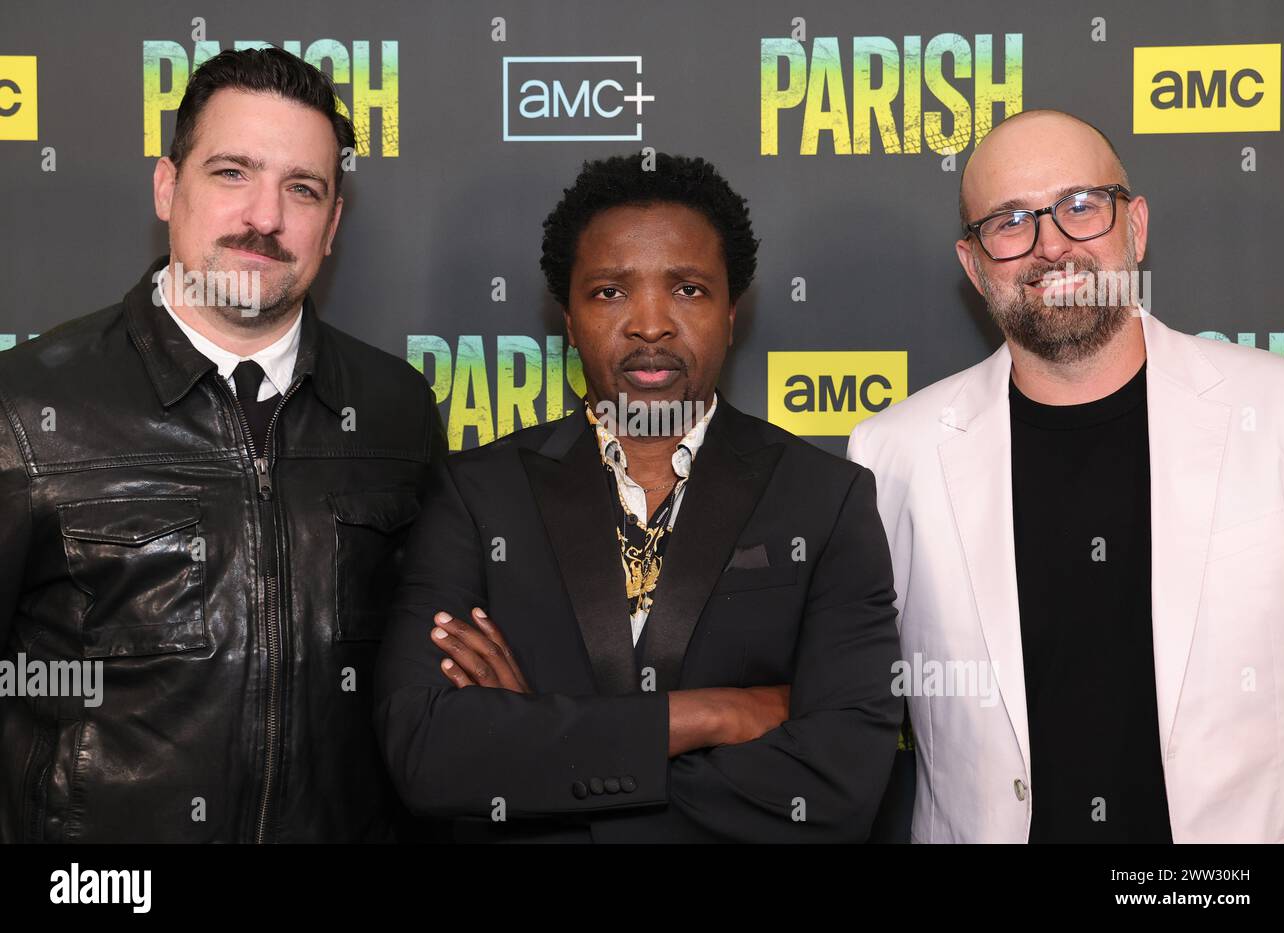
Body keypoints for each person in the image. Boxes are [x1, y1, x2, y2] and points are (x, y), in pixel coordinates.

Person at [375, 153, 901, 842]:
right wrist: (709, 715)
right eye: (609, 292)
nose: (650, 324)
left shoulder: (825, 499)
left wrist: (549, 753)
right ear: (568, 318)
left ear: (732, 313)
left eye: (687, 289)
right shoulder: (479, 493)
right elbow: (430, 754)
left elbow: (839, 784)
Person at [0, 48, 444, 842]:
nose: (265, 218)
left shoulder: (395, 409)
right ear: (168, 187)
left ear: (332, 223)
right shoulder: (28, 405)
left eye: (301, 189)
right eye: (232, 172)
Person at [848, 109, 1284, 843]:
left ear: (1136, 227)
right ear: (973, 263)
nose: (1051, 244)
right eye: (1010, 220)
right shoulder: (891, 454)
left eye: (1081, 207)